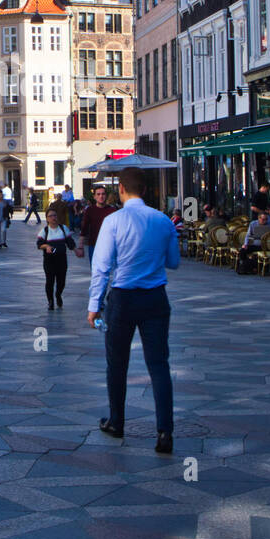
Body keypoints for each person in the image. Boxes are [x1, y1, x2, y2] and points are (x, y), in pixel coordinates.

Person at [88, 167, 180, 454]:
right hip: (155, 298)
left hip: (123, 299)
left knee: (117, 363)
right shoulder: (163, 220)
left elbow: (101, 267)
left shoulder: (114, 221)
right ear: (146, 190)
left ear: (122, 190)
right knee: (159, 365)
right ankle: (164, 431)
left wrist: (93, 306)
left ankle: (117, 421)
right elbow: (174, 261)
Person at [37, 205, 76, 308]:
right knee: (49, 281)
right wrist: (46, 246)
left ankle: (58, 294)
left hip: (62, 260)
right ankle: (50, 301)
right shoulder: (44, 231)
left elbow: (70, 242)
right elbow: (39, 244)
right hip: (49, 260)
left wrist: (76, 250)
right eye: (50, 216)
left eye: (54, 215)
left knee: (61, 281)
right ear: (47, 219)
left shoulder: (63, 229)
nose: (53, 218)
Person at [79, 184, 117, 265]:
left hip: (109, 246)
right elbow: (84, 228)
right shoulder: (90, 210)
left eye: (103, 194)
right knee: (95, 271)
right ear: (94, 197)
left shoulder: (112, 210)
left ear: (106, 196)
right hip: (94, 245)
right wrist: (80, 246)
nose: (101, 196)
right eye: (98, 194)